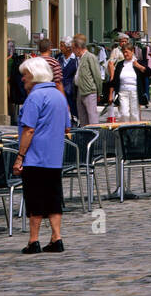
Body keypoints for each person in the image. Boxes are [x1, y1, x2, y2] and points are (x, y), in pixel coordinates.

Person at [13, 60, 67, 253]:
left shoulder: (35, 97)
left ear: (34, 75)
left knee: (34, 197)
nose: (23, 78)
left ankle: (33, 240)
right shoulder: (59, 96)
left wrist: (20, 156)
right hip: (54, 156)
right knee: (54, 198)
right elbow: (67, 127)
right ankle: (56, 237)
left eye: (25, 74)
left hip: (35, 155)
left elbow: (29, 130)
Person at [74, 35, 103, 126]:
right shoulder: (80, 58)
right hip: (80, 91)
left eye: (73, 49)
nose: (73, 51)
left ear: (78, 48)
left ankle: (95, 134)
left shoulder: (90, 57)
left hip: (89, 91)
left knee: (92, 117)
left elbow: (97, 75)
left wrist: (99, 92)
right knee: (83, 118)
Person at [113, 44, 143, 121]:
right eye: (123, 52)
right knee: (124, 114)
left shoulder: (137, 63)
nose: (125, 54)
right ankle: (124, 128)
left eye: (127, 52)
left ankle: (135, 128)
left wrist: (139, 66)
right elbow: (114, 80)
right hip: (122, 92)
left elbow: (148, 73)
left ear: (132, 51)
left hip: (135, 92)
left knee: (135, 114)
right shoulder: (120, 64)